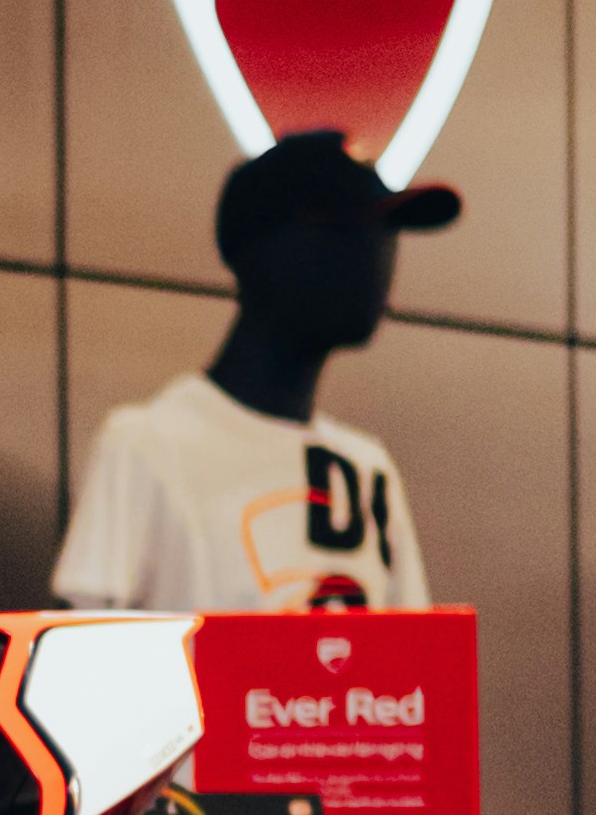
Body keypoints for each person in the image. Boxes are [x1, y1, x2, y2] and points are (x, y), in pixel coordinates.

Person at [53, 129, 447, 614]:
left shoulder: (369, 471)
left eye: (389, 233)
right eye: (349, 229)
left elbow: (413, 672)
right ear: (266, 247)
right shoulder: (147, 444)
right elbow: (89, 667)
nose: (378, 253)